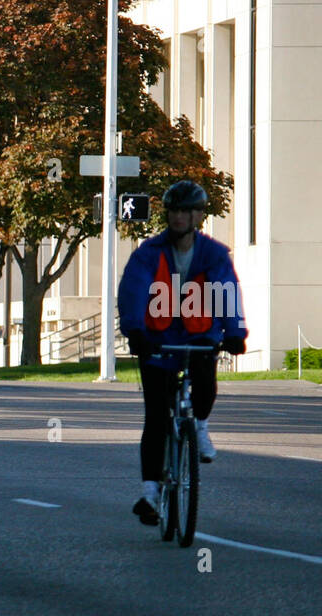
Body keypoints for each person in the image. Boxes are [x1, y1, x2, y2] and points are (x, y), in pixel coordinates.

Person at [118, 179, 247, 526]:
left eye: (187, 211)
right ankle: (150, 493)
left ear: (198, 216)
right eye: (174, 210)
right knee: (157, 416)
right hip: (157, 340)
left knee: (206, 383)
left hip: (200, 336)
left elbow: (227, 291)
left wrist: (235, 332)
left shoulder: (214, 254)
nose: (179, 217)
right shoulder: (148, 253)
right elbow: (133, 292)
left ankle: (200, 425)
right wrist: (134, 331)